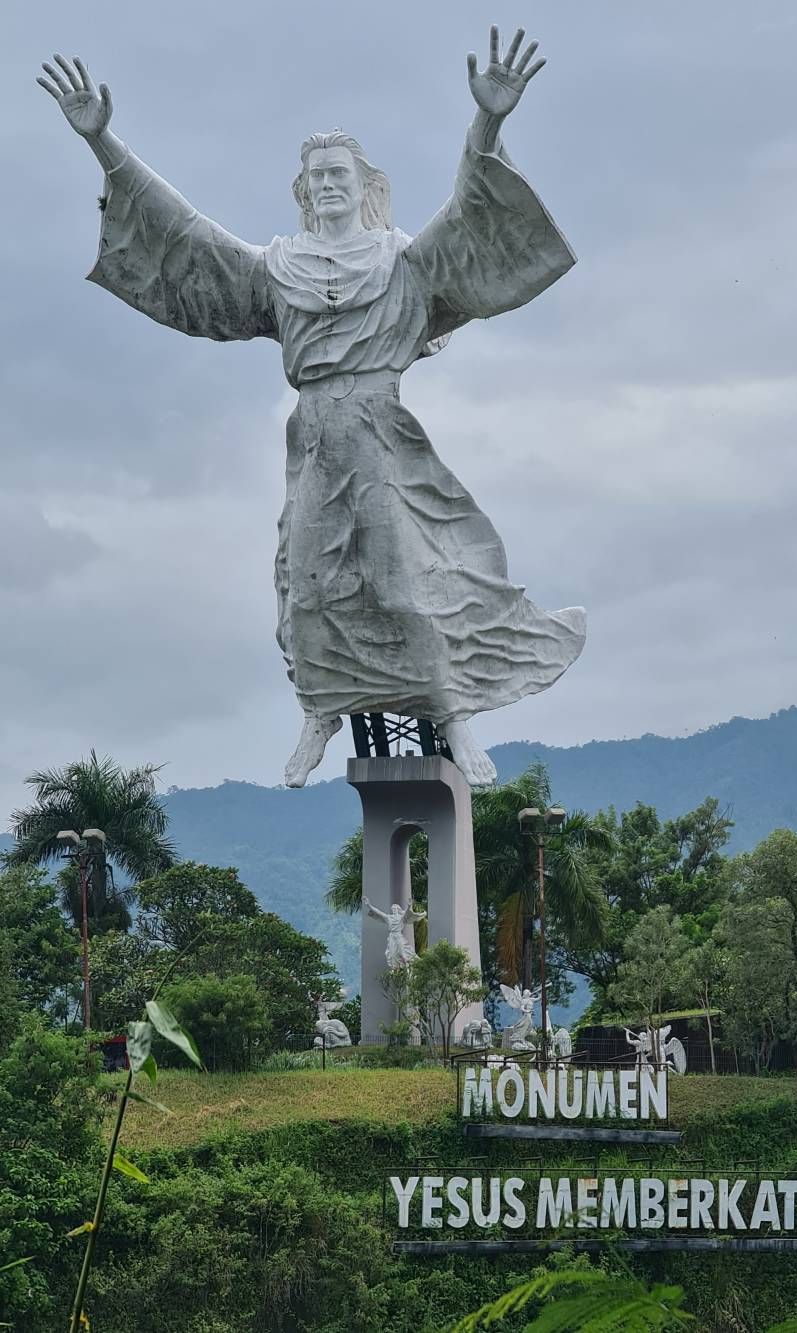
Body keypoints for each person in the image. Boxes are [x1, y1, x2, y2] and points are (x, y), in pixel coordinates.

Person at [38, 28, 586, 790]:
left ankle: (454, 715)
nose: (327, 184)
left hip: (380, 435)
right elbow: (186, 238)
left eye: (338, 173)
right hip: (315, 440)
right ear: (303, 191)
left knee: (403, 584)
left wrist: (487, 121)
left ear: (363, 186)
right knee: (307, 588)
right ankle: (318, 714)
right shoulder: (278, 268)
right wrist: (103, 144)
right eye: (316, 175)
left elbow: (471, 211)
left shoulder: (400, 262)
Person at [362, 895, 426, 969]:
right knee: (392, 954)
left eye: (395, 908)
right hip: (392, 937)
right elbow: (378, 912)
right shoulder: (388, 917)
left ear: (398, 909)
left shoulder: (401, 918)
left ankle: (409, 966)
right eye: (393, 908)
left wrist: (409, 906)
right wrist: (368, 905)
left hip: (398, 936)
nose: (394, 909)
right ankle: (396, 969)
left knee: (403, 952)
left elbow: (407, 913)